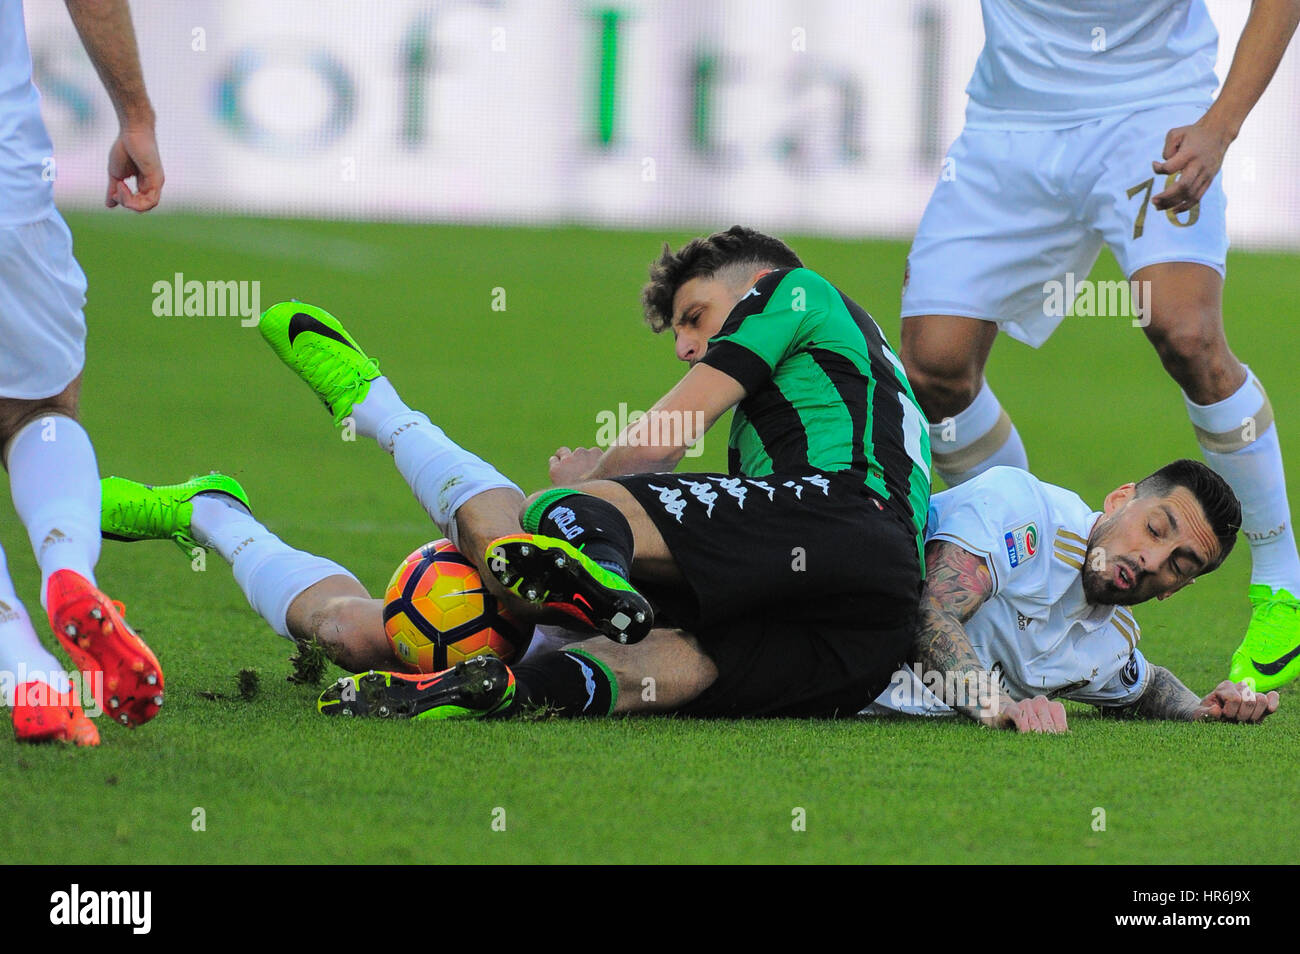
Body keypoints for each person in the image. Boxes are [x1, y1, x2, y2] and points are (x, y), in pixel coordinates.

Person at [102, 225, 947, 721]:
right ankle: (217, 515)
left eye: (696, 318)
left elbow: (661, 442)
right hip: (862, 630)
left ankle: (379, 406)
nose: (691, 346)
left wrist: (592, 475)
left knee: (564, 505)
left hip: (841, 518)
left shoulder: (795, 292)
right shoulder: (840, 391)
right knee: (669, 661)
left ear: (753, 283)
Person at [898, 0, 1300, 690]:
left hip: (1152, 109)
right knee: (935, 367)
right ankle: (1016, 555)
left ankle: (1282, 587)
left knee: (1187, 331)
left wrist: (1220, 128)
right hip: (1011, 120)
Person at [1, 0, 165, 745]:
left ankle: (26, 672)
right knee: (39, 410)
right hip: (9, 188)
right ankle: (67, 567)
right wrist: (136, 115)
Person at [862, 461, 1278, 728]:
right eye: (1154, 529)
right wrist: (999, 706)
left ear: (1177, 589)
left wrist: (1202, 710)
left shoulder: (1111, 640)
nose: (1151, 560)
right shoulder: (1024, 507)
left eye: (1178, 565)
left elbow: (1144, 684)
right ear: (1118, 500)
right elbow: (931, 611)